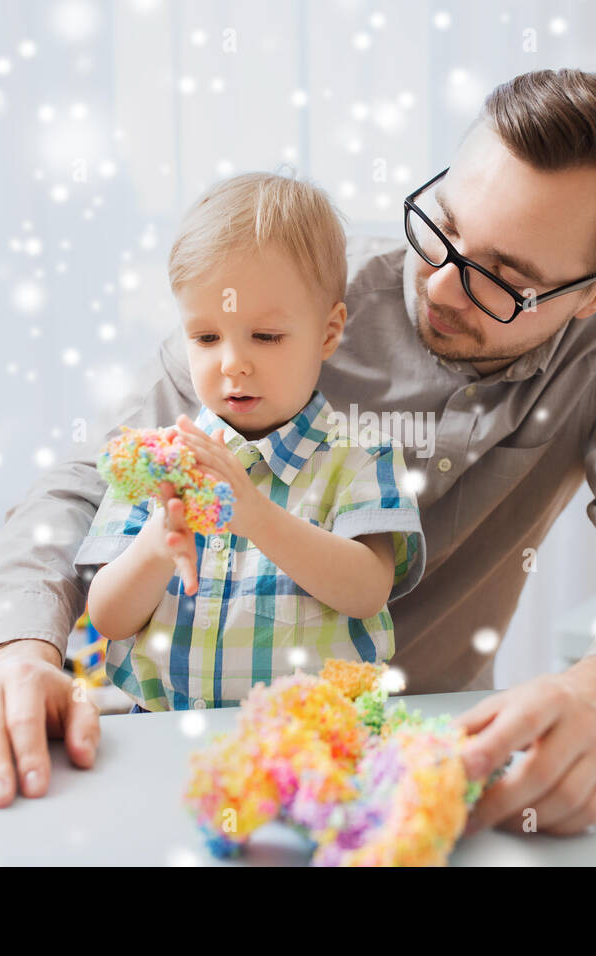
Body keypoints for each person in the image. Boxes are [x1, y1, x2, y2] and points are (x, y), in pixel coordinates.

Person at [0, 68, 596, 839]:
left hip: (428, 753)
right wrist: (17, 651)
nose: (443, 286)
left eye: (503, 280)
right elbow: (82, 486)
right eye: (444, 225)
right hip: (190, 738)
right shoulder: (289, 294)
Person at [83, 172, 424, 711]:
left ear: (329, 333)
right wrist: (156, 542)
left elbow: (367, 591)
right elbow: (108, 617)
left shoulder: (361, 455)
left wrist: (257, 515)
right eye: (206, 337)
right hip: (167, 731)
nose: (232, 362)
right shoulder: (161, 463)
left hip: (311, 741)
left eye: (265, 337)